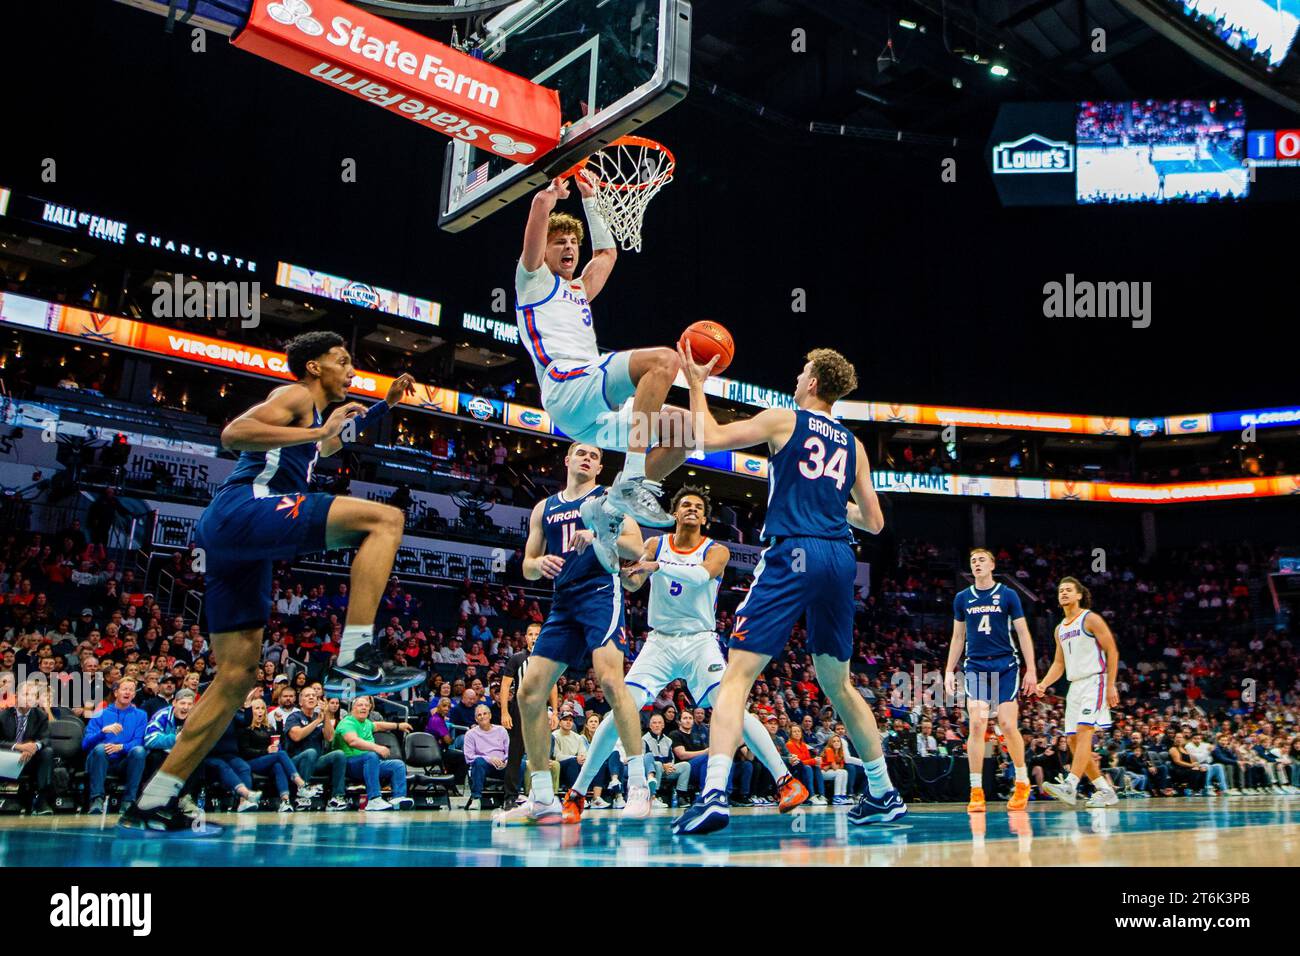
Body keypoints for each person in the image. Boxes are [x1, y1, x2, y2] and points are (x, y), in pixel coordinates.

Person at [119, 332, 424, 834]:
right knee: (385, 520)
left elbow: (328, 442)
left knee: (237, 677)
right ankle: (355, 652)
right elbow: (234, 434)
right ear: (313, 367)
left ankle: (156, 799)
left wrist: (382, 407)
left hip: (235, 538)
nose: (351, 370)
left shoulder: (313, 416)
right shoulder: (296, 395)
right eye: (342, 360)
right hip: (245, 510)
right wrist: (318, 429)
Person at [671, 345, 904, 835]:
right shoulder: (854, 445)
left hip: (795, 550)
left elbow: (708, 436)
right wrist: (830, 505)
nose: (796, 377)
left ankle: (713, 794)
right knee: (839, 684)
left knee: (736, 676)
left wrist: (696, 383)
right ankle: (884, 793)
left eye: (802, 371)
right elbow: (875, 522)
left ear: (813, 383)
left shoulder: (785, 419)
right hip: (839, 558)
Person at [564, 486, 804, 823]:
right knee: (622, 708)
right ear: (675, 513)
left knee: (731, 707)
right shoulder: (653, 544)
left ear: (704, 518)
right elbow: (633, 584)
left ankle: (785, 780)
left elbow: (701, 575)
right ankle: (577, 792)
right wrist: (621, 562)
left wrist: (657, 567)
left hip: (699, 642)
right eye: (685, 505)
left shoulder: (716, 550)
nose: (692, 509)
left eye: (698, 507)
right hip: (659, 641)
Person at [514, 173, 694, 546]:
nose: (569, 247)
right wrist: (551, 194)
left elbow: (607, 255)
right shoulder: (533, 280)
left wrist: (591, 200)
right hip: (567, 386)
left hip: (589, 416)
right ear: (544, 250)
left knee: (685, 430)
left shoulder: (578, 288)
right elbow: (538, 207)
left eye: (573, 242)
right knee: (663, 361)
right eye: (559, 241)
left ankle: (610, 506)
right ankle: (632, 479)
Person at [494, 443, 648, 825]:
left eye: (594, 456)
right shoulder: (544, 508)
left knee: (611, 682)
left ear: (599, 467)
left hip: (600, 593)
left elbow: (635, 546)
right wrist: (538, 563)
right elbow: (528, 566)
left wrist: (598, 535)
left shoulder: (609, 500)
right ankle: (542, 797)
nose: (587, 459)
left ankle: (638, 785)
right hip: (563, 602)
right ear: (567, 460)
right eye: (581, 453)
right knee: (529, 693)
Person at [944, 548, 1038, 813]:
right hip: (976, 666)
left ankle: (1022, 781)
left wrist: (1031, 669)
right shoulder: (962, 598)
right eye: (973, 561)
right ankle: (976, 791)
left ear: (993, 565)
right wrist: (949, 670)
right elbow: (958, 637)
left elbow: (1023, 632)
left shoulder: (1008, 595)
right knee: (976, 723)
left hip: (1005, 664)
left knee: (1007, 724)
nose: (977, 563)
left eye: (982, 560)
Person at [1036, 577, 1121, 808]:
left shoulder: (1090, 618)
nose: (1063, 593)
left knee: (1084, 731)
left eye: (1068, 590)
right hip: (1075, 686)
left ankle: (1070, 785)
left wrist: (1111, 684)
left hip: (1095, 680)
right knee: (1073, 740)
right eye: (1060, 590)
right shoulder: (1060, 629)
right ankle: (1105, 790)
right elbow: (1059, 663)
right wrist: (1044, 683)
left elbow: (1112, 651)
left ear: (1079, 595)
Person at [500, 622, 559, 804]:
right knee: (516, 753)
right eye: (531, 634)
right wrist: (504, 712)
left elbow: (552, 686)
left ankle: (540, 794)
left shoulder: (548, 659)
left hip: (540, 708)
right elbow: (505, 686)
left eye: (537, 634)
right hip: (520, 708)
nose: (534, 637)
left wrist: (555, 712)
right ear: (526, 638)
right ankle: (510, 796)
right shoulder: (517, 658)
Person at [335, 696, 414, 812]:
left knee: (397, 765)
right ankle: (374, 799)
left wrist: (398, 726)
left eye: (366, 706)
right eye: (360, 705)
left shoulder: (367, 723)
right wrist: (377, 747)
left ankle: (398, 798)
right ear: (352, 709)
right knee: (371, 755)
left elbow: (378, 725)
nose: (364, 708)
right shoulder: (347, 722)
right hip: (349, 764)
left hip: (369, 764)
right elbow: (353, 741)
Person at [83, 677, 148, 814]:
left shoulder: (141, 715)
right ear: (116, 692)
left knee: (139, 751)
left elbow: (139, 741)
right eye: (124, 689)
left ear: (134, 694)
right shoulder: (100, 714)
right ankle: (96, 800)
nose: (128, 692)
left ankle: (128, 801)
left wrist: (122, 747)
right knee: (100, 749)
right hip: (100, 760)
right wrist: (102, 733)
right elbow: (85, 744)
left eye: (131, 690)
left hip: (124, 762)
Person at [282, 686, 348, 811]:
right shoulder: (294, 717)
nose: (311, 697)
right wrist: (317, 722)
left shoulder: (320, 716)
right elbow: (296, 736)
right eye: (307, 695)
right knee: (310, 752)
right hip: (295, 762)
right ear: (300, 702)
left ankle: (336, 797)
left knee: (339, 754)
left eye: (314, 695)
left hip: (316, 761)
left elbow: (330, 737)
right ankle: (302, 795)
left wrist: (326, 715)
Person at [0, 678, 55, 814]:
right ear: (16, 698)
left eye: (33, 695)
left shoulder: (41, 715)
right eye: (25, 694)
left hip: (29, 759)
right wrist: (18, 747)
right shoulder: (3, 716)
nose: (29, 698)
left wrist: (34, 747)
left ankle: (42, 800)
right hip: (6, 757)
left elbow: (45, 738)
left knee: (47, 751)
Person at [462, 703, 509, 811]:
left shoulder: (501, 730)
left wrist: (506, 761)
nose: (482, 716)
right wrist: (489, 759)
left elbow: (509, 751)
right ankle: (476, 798)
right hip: (485, 766)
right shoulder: (470, 734)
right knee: (478, 762)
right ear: (476, 719)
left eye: (485, 713)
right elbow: (469, 757)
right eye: (479, 715)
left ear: (490, 715)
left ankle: (512, 797)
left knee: (520, 764)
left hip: (502, 765)